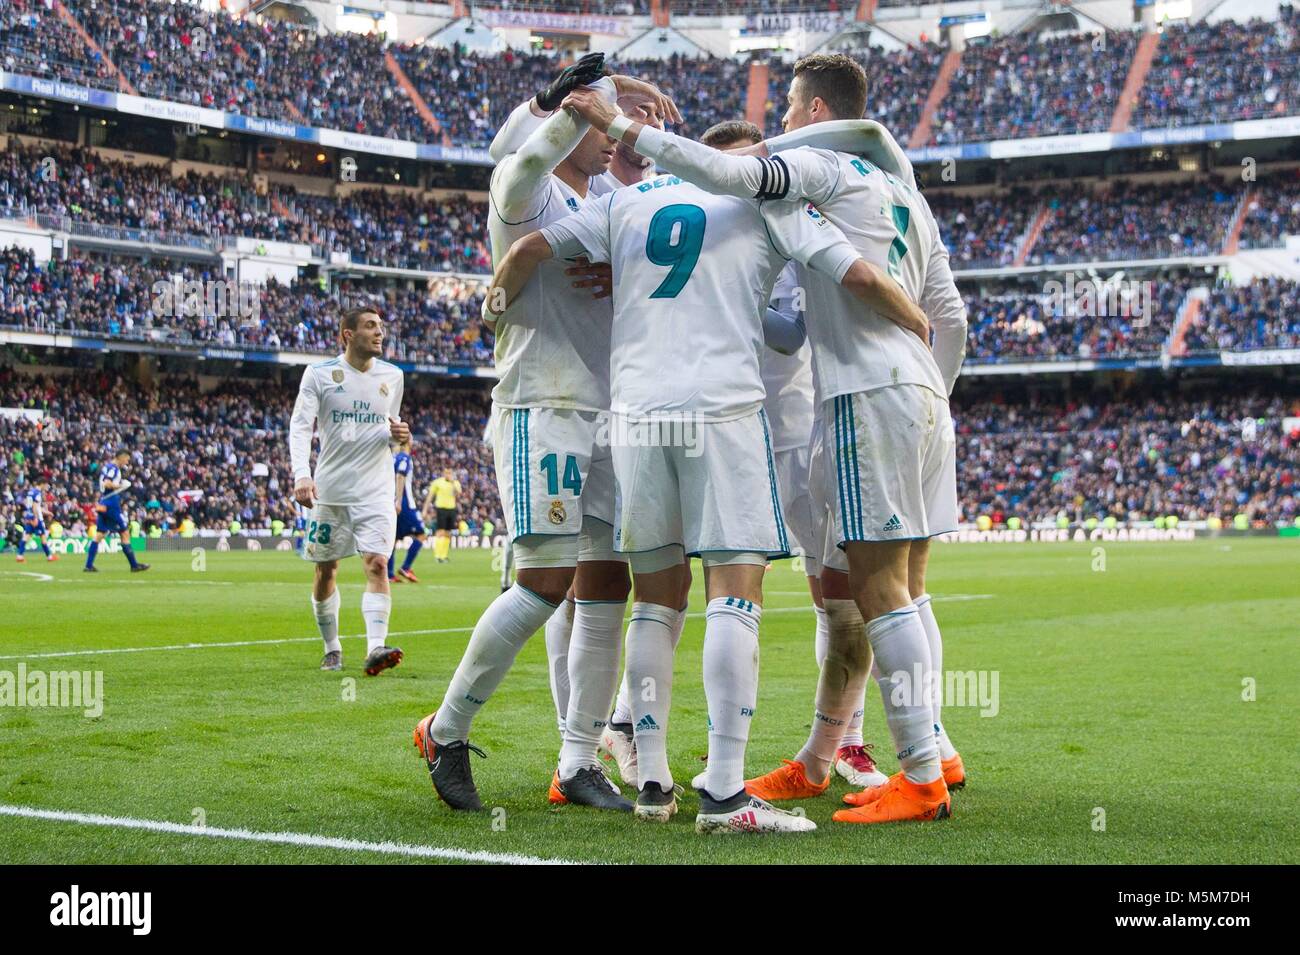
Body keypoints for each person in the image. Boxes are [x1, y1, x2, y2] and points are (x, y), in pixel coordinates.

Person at [485, 115, 929, 833]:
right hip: (721, 410)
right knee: (735, 588)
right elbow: (860, 273)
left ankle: (655, 783)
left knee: (656, 601)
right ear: (739, 160)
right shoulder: (764, 200)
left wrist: (497, 301)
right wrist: (914, 317)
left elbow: (533, 245)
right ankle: (723, 790)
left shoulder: (624, 201)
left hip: (634, 414)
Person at [566, 52, 969, 824]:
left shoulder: (808, 173)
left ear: (817, 114)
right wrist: (930, 384)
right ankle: (893, 751)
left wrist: (620, 133)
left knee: (856, 594)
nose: (779, 127)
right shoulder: (905, 192)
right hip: (916, 397)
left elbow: (740, 185)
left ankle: (910, 767)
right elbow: (946, 313)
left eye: (787, 110)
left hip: (834, 399)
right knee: (900, 590)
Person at [413, 70, 679, 815]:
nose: (614, 137)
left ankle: (576, 761)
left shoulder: (604, 207)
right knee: (541, 585)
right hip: (545, 404)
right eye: (604, 126)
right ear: (572, 123)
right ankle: (447, 728)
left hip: (608, 412)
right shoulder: (527, 191)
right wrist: (581, 106)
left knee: (606, 586)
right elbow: (521, 158)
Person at [290, 306, 408, 675]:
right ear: (347, 334)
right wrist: (301, 474)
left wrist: (401, 436)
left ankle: (375, 649)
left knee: (378, 564)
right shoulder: (320, 375)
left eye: (381, 327)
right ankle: (332, 646)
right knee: (327, 570)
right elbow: (299, 426)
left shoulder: (393, 375)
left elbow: (392, 430)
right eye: (371, 326)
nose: (380, 333)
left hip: (375, 489)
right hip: (331, 490)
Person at [83, 449, 149, 574]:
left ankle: (89, 565)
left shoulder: (107, 467)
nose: (127, 462)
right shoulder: (114, 469)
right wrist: (121, 485)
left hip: (104, 502)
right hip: (111, 504)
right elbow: (107, 484)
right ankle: (134, 565)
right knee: (124, 533)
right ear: (121, 457)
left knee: (100, 534)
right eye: (127, 459)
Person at [390, 438, 427, 582]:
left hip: (392, 501)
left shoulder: (393, 457)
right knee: (421, 534)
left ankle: (389, 574)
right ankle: (405, 567)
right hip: (404, 503)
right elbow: (400, 475)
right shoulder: (404, 457)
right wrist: (398, 501)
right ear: (407, 442)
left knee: (393, 539)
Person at [422, 469, 460, 565]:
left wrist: (452, 482)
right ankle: (437, 556)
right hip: (441, 509)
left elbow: (458, 493)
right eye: (446, 472)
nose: (448, 474)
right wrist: (425, 510)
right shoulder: (437, 482)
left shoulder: (455, 483)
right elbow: (430, 496)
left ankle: (444, 555)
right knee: (440, 531)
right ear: (443, 473)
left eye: (450, 472)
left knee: (448, 533)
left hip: (452, 509)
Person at [16, 481, 56, 564]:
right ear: (42, 484)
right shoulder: (37, 493)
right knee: (43, 537)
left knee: (26, 536)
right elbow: (35, 506)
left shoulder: (31, 492)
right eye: (46, 485)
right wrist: (35, 518)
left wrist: (47, 512)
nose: (46, 487)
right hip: (36, 518)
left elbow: (33, 506)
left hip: (29, 516)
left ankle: (19, 556)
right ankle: (49, 556)